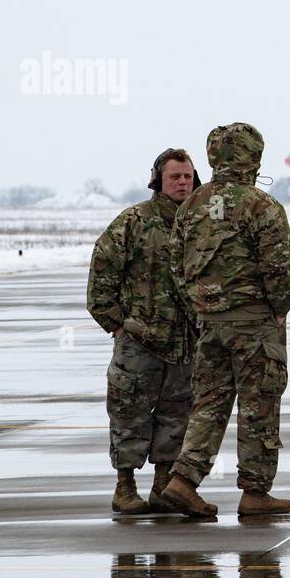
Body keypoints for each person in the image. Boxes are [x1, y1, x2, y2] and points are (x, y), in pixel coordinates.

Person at [161, 123, 290, 518]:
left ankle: (183, 481)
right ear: (252, 156)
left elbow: (178, 267)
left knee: (208, 405)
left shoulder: (191, 207)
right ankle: (256, 491)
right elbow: (279, 269)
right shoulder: (262, 205)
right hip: (255, 324)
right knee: (259, 407)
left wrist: (202, 306)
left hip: (211, 323)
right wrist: (277, 308)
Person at [87, 148, 199, 514]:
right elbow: (102, 272)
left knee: (177, 413)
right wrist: (117, 323)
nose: (183, 183)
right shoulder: (134, 222)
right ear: (158, 180)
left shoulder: (202, 222)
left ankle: (164, 486)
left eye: (187, 176)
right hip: (138, 340)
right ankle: (125, 487)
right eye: (175, 177)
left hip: (185, 341)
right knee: (129, 412)